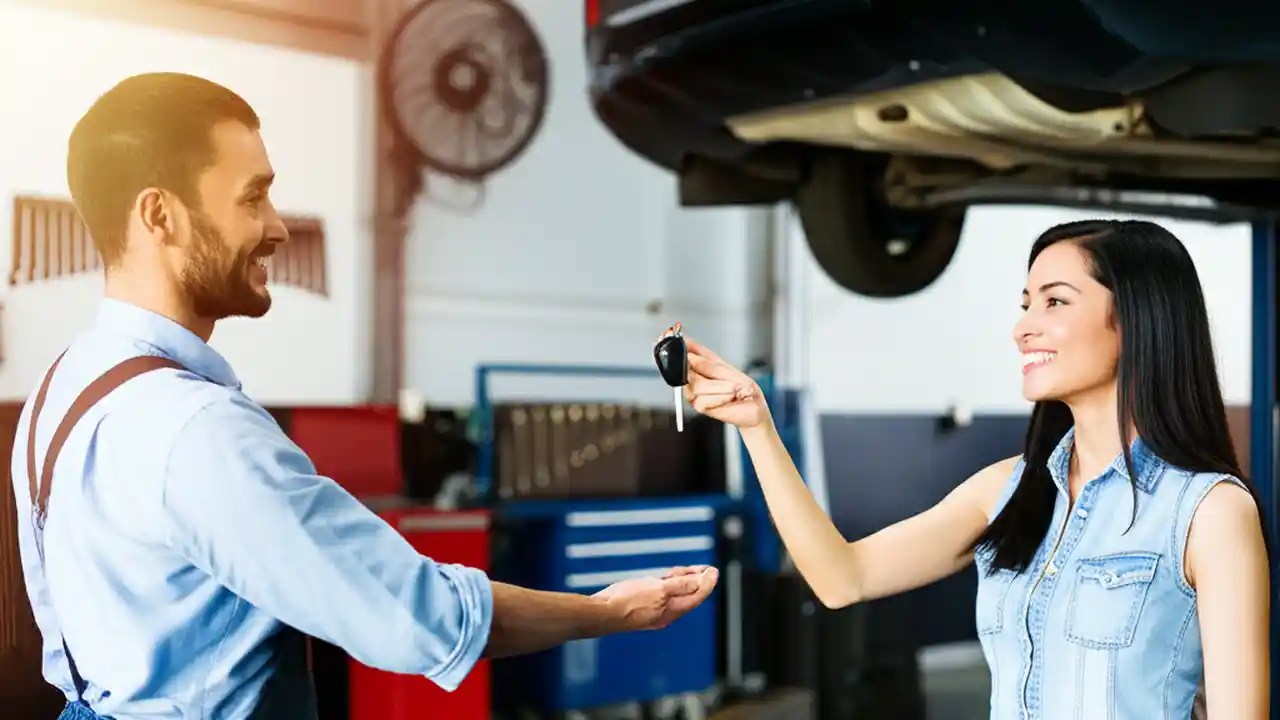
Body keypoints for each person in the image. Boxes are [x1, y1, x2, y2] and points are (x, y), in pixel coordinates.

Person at [11, 72, 718, 720]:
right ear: (158, 216)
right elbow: (419, 618)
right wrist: (613, 611)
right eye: (252, 197)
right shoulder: (196, 431)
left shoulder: (62, 388)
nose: (279, 226)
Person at [675, 219, 1270, 719]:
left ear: (1138, 319)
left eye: (1055, 301)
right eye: (1025, 304)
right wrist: (757, 425)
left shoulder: (1208, 512)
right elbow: (841, 577)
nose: (1023, 326)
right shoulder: (1008, 490)